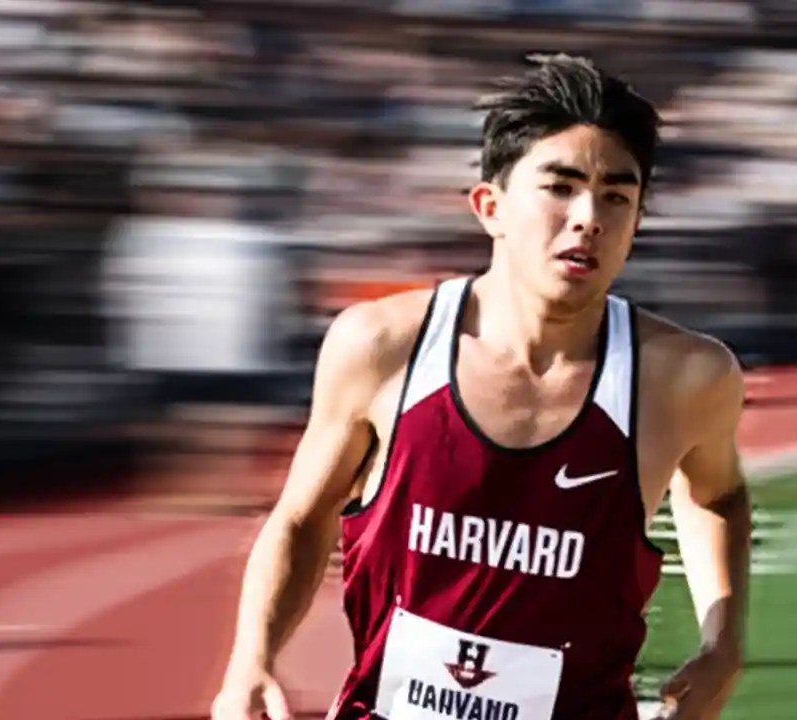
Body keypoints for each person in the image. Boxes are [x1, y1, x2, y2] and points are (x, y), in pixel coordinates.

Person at [211, 53, 751, 720]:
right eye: (560, 187)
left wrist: (722, 642)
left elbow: (717, 493)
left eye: (617, 196)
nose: (589, 217)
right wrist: (251, 662)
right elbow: (300, 516)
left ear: (636, 226)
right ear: (490, 207)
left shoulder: (685, 376)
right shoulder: (382, 346)